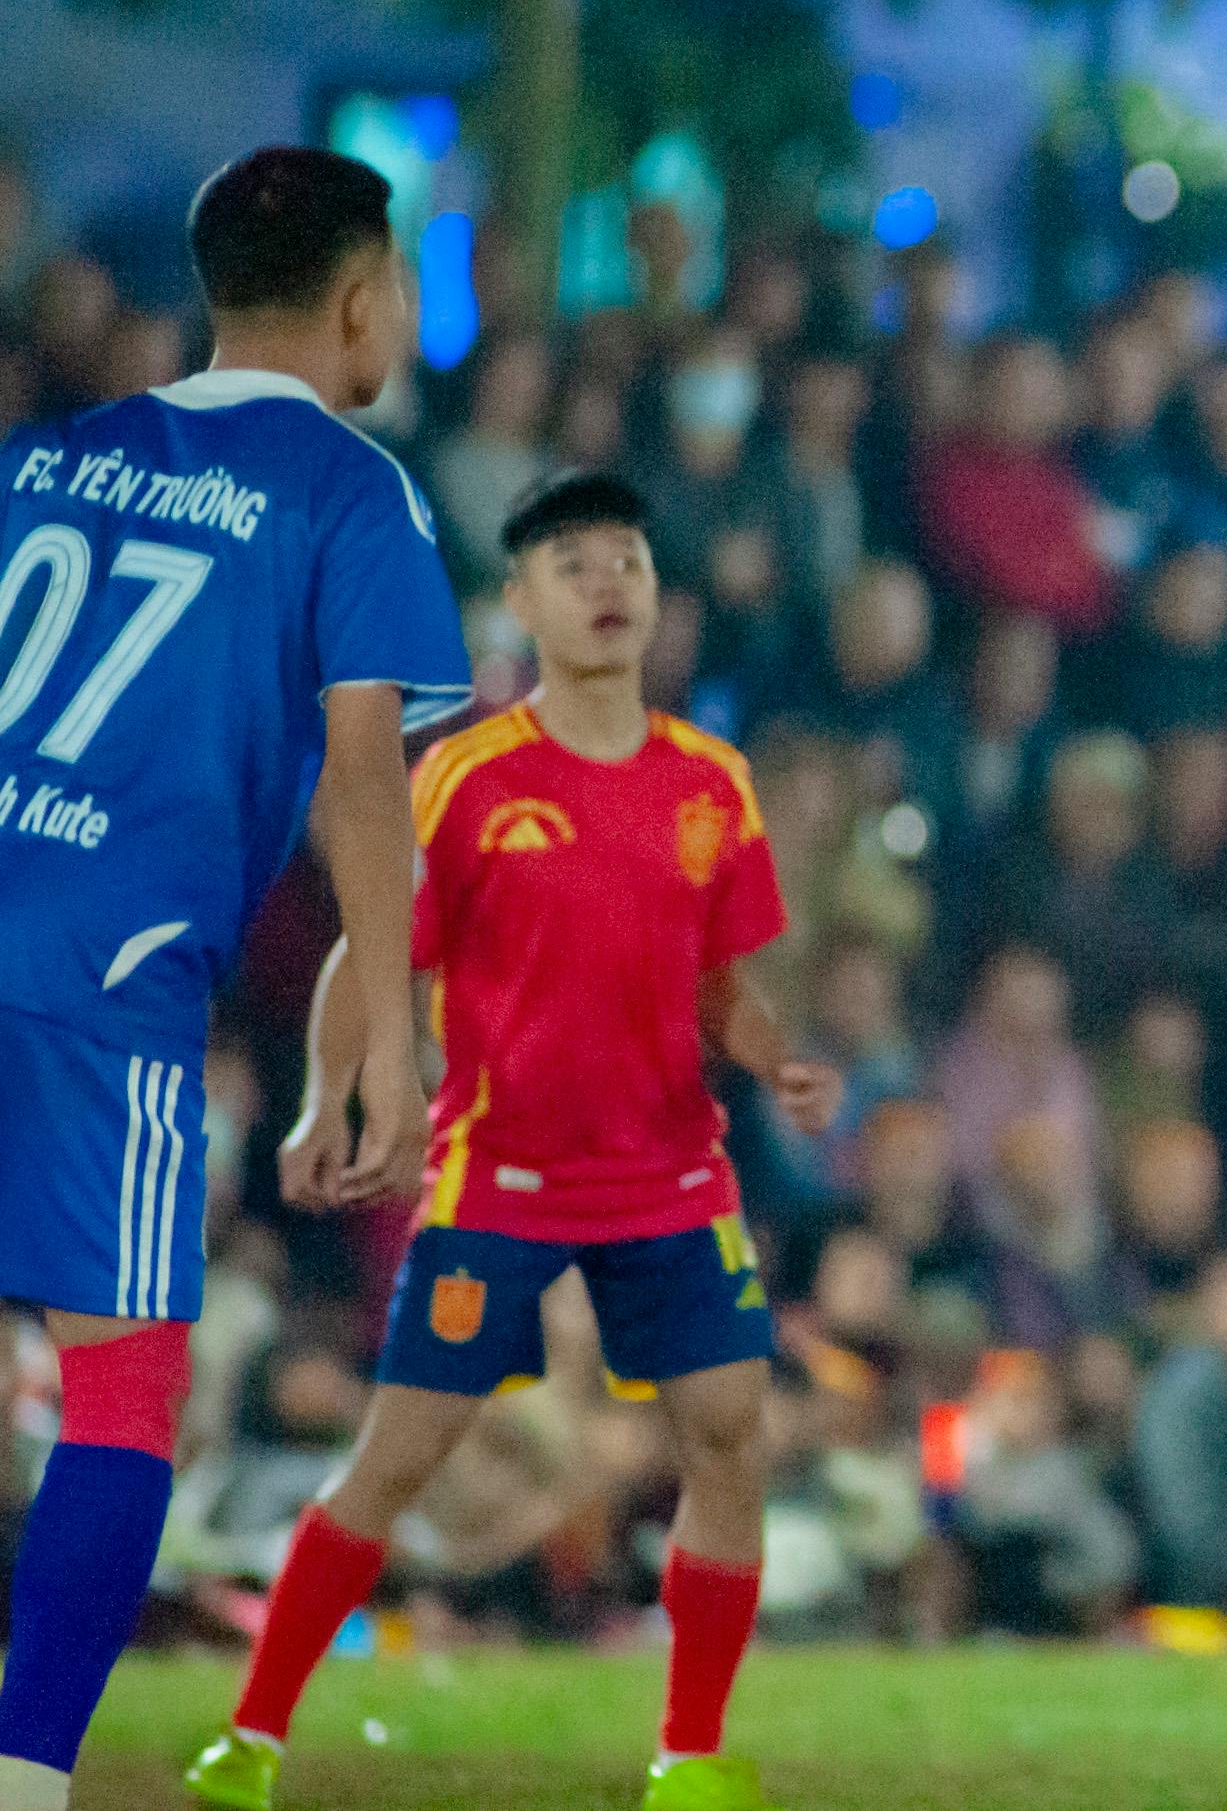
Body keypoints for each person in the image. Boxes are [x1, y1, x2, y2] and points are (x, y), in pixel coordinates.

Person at [185, 472, 839, 1811]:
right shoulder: (469, 779)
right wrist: (328, 1100)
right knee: (400, 1452)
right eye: (576, 565)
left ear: (658, 596)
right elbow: (369, 957)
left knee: (730, 1434)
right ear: (523, 601)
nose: (609, 585)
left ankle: (692, 1759)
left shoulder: (713, 782)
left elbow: (722, 979)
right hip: (505, 1181)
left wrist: (769, 1054)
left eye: (629, 562)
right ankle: (251, 1735)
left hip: (670, 1175)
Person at [0, 148, 471, 1811]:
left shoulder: (59, 453)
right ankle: (27, 1781)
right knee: (127, 1388)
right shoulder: (356, 494)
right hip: (102, 969)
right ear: (362, 301)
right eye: (401, 282)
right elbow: (365, 779)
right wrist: (393, 1044)